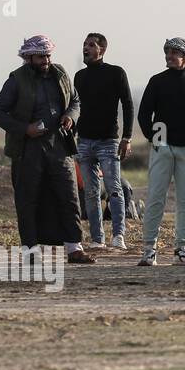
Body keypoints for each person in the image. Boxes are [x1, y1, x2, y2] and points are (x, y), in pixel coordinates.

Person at [0, 34, 93, 263]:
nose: (46, 60)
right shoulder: (16, 80)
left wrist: (70, 116)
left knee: (69, 196)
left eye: (47, 55)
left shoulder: (61, 74)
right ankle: (31, 252)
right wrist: (25, 129)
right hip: (28, 149)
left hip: (60, 146)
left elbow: (75, 101)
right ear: (29, 58)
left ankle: (74, 249)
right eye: (40, 57)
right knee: (28, 200)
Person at [135, 38, 185, 266]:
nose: (170, 56)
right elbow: (144, 114)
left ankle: (182, 250)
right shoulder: (157, 81)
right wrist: (154, 138)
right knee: (155, 198)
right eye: (168, 52)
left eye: (175, 52)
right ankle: (149, 250)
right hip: (162, 146)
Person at [73, 32, 134, 251]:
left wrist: (127, 137)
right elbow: (76, 108)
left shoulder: (116, 73)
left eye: (91, 45)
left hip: (108, 140)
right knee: (91, 192)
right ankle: (98, 238)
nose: (86, 48)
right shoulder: (79, 77)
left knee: (114, 189)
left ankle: (118, 236)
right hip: (84, 141)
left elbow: (127, 105)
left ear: (102, 50)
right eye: (84, 44)